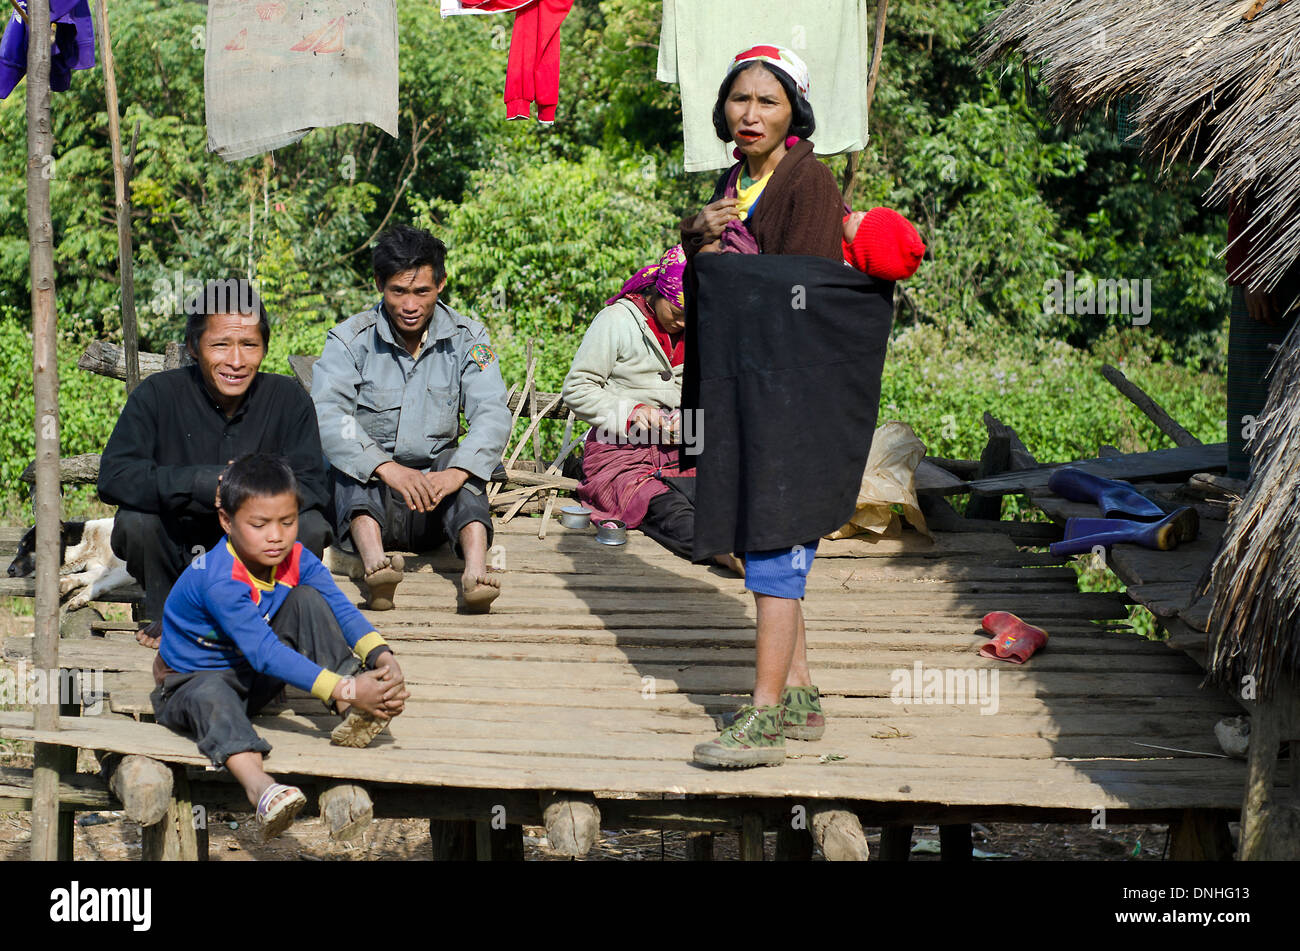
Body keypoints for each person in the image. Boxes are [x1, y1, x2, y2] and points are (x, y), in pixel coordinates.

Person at [681, 45, 851, 768]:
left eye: (768, 102)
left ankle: (762, 716)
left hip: (793, 387)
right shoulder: (737, 179)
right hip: (745, 381)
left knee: (777, 545)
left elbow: (805, 292)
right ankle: (801, 697)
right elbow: (712, 275)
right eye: (739, 99)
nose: (749, 114)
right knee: (765, 535)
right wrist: (697, 236)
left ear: (795, 112)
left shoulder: (808, 183)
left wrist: (730, 259)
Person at [150, 454, 408, 840]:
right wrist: (349, 686)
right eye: (259, 524)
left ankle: (353, 710)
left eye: (287, 522)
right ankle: (260, 787)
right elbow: (264, 652)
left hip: (252, 679)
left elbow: (341, 610)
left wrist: (382, 657)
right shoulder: (219, 577)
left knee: (308, 600)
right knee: (212, 697)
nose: (276, 535)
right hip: (191, 683)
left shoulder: (296, 557)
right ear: (226, 521)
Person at [98, 279, 332, 643]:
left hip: (258, 557)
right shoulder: (157, 396)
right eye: (220, 345)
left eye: (249, 345)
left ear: (265, 348)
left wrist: (245, 494)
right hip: (178, 552)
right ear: (193, 346)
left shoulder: (288, 399)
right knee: (136, 522)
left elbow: (314, 484)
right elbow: (115, 476)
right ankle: (167, 612)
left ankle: (272, 613)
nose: (236, 361)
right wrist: (203, 483)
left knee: (311, 526)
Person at [311, 225, 512, 612]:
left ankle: (474, 572)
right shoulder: (348, 340)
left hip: (435, 506)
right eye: (398, 291)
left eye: (422, 291)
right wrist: (386, 467)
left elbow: (491, 412)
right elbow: (329, 415)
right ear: (378, 284)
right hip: (369, 506)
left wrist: (453, 474)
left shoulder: (469, 338)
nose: (410, 304)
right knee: (354, 466)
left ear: (441, 284)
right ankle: (375, 567)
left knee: (464, 465)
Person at [561, 245, 742, 573]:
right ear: (658, 293)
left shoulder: (698, 328)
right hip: (620, 452)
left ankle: (747, 542)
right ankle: (719, 552)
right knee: (661, 504)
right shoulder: (616, 321)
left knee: (725, 489)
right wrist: (633, 411)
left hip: (684, 443)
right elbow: (577, 389)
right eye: (676, 310)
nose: (683, 321)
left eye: (692, 314)